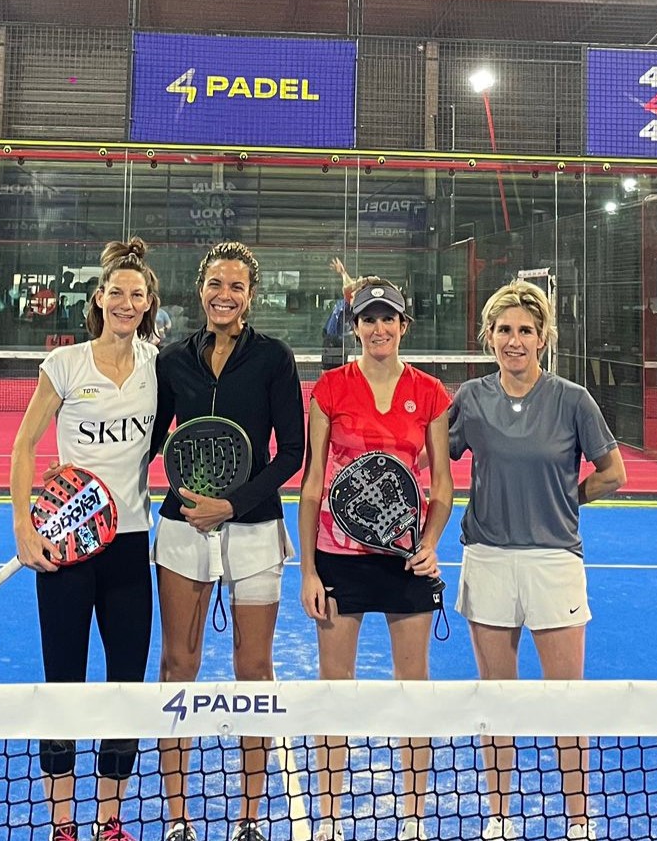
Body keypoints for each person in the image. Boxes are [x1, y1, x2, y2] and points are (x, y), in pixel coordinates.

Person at [448, 281, 627, 841]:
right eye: (504, 330)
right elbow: (431, 454)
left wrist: (569, 498)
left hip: (555, 563)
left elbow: (613, 473)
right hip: (488, 559)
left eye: (526, 330)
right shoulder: (471, 399)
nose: (515, 340)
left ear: (544, 339)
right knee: (496, 696)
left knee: (564, 699)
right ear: (489, 338)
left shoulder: (573, 399)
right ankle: (498, 815)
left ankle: (579, 819)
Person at [149, 240, 305, 841]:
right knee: (177, 664)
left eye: (236, 286)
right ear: (201, 288)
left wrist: (233, 504)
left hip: (256, 529)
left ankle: (248, 819)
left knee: (253, 668)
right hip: (182, 527)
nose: (224, 295)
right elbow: (152, 438)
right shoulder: (172, 361)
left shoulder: (274, 359)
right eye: (216, 284)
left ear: (250, 296)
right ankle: (178, 819)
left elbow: (291, 451)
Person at [9, 239, 162, 841]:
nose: (126, 303)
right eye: (116, 292)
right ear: (99, 300)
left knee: (125, 686)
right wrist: (24, 525)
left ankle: (108, 823)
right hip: (66, 549)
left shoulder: (158, 365)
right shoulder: (66, 365)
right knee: (63, 684)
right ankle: (63, 826)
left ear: (149, 305)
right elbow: (24, 446)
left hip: (128, 545)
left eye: (137, 295)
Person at [298, 276, 453, 841]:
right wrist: (310, 569)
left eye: (389, 318)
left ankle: (413, 817)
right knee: (334, 684)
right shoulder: (330, 389)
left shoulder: (431, 392)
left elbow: (442, 487)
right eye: (369, 319)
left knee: (413, 683)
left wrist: (430, 543)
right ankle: (331, 818)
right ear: (355, 327)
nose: (379, 328)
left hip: (406, 559)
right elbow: (313, 484)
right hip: (339, 561)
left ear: (403, 325)